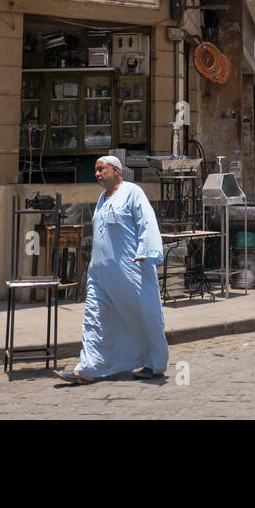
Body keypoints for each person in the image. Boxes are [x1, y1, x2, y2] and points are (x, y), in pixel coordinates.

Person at [57, 156, 167, 383]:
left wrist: (147, 252)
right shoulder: (102, 197)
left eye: (101, 169)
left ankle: (155, 363)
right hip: (101, 274)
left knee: (144, 316)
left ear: (115, 170)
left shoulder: (132, 192)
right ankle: (89, 367)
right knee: (95, 317)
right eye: (96, 170)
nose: (96, 174)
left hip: (131, 271)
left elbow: (147, 221)